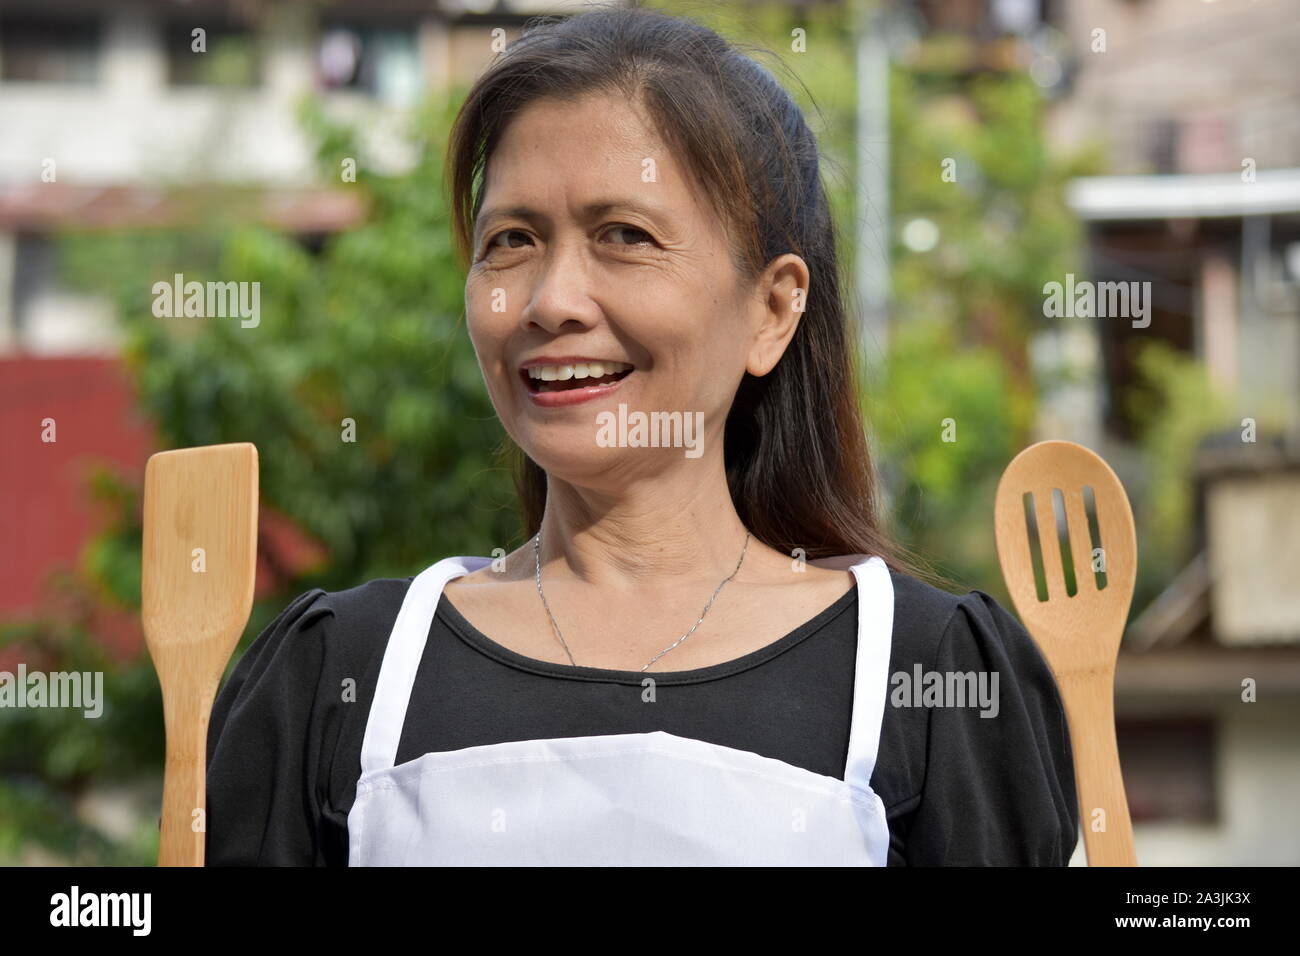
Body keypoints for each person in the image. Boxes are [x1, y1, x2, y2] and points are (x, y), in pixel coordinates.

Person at [205, 5, 1078, 866]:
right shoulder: (339, 677)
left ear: (773, 310)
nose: (551, 301)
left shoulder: (926, 678)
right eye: (511, 239)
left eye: (624, 236)